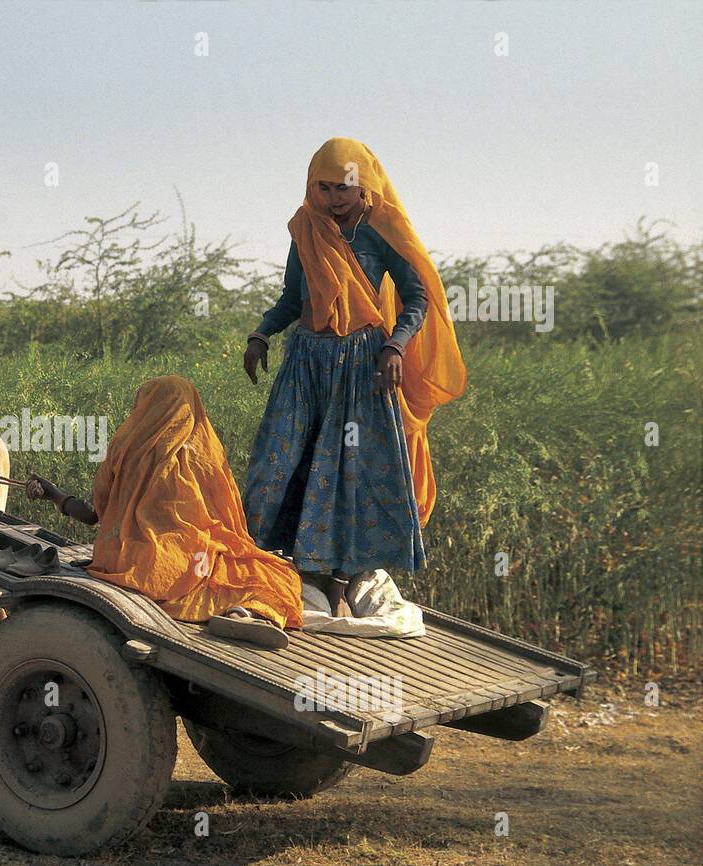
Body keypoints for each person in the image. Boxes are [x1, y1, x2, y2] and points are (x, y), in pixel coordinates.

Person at [242, 137, 466, 617]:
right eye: (324, 188)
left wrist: (394, 346)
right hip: (305, 362)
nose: (334, 197)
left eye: (344, 187)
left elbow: (417, 297)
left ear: (365, 188)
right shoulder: (305, 230)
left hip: (361, 366)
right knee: (278, 459)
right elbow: (289, 297)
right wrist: (260, 334)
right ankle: (290, 570)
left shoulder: (382, 232)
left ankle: (341, 580)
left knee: (348, 471)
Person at [25, 375, 303, 637]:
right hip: (187, 565)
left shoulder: (124, 448)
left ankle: (241, 613)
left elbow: (92, 515)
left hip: (121, 562)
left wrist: (54, 494)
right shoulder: (205, 453)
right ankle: (246, 613)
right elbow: (227, 516)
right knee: (275, 576)